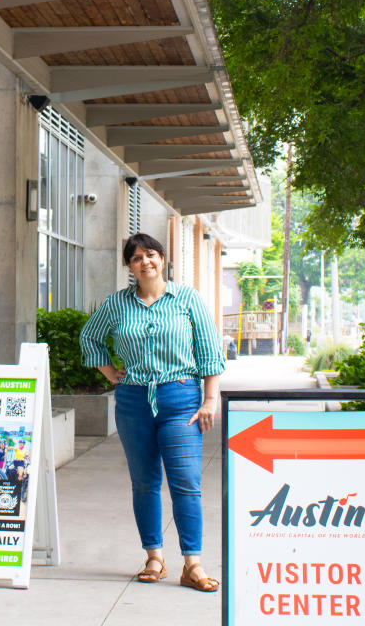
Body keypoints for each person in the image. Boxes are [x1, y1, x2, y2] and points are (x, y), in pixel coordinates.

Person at [79, 233, 224, 592]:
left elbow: (209, 350)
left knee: (186, 482)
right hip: (133, 401)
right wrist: (109, 372)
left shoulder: (187, 299)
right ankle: (154, 557)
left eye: (151, 254)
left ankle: (192, 564)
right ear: (129, 266)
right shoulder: (116, 304)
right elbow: (89, 338)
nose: (145, 262)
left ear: (162, 258)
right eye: (136, 257)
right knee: (144, 482)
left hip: (180, 400)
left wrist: (210, 398)